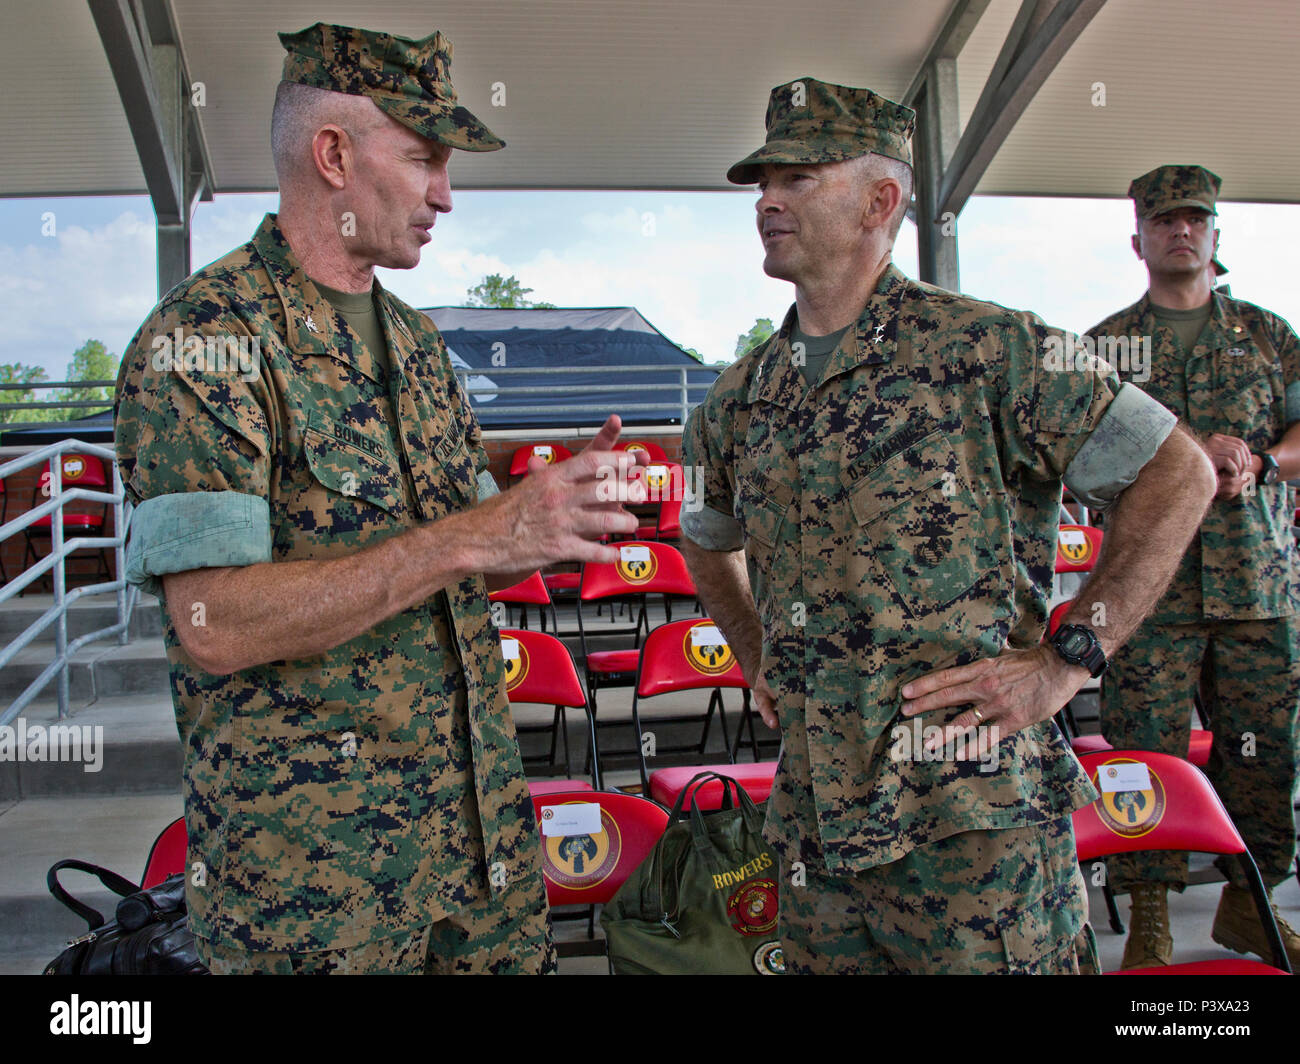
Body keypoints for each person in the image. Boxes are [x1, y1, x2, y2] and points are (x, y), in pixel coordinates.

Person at [113, 22, 646, 975]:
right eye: (424, 160)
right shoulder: (205, 341)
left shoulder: (417, 345)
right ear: (333, 155)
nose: (445, 194)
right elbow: (214, 621)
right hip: (320, 900)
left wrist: (556, 517)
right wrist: (473, 538)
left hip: (482, 870)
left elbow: (476, 540)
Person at [679, 78, 1217, 975]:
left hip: (973, 828)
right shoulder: (736, 397)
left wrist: (1067, 659)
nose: (768, 200)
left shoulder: (995, 350)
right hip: (817, 828)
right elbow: (704, 531)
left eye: (801, 176)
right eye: (763, 181)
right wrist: (752, 647)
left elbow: (1179, 470)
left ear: (879, 202)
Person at [1088, 164, 1300, 968]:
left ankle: (1253, 910)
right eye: (1165, 220)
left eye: (1196, 219)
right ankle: (1146, 920)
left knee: (1266, 752)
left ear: (1216, 236)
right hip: (1150, 591)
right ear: (1138, 238)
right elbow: (1082, 462)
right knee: (1146, 753)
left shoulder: (1268, 334)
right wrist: (1181, 458)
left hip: (1257, 584)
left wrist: (1264, 463)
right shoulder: (1106, 345)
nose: (1182, 230)